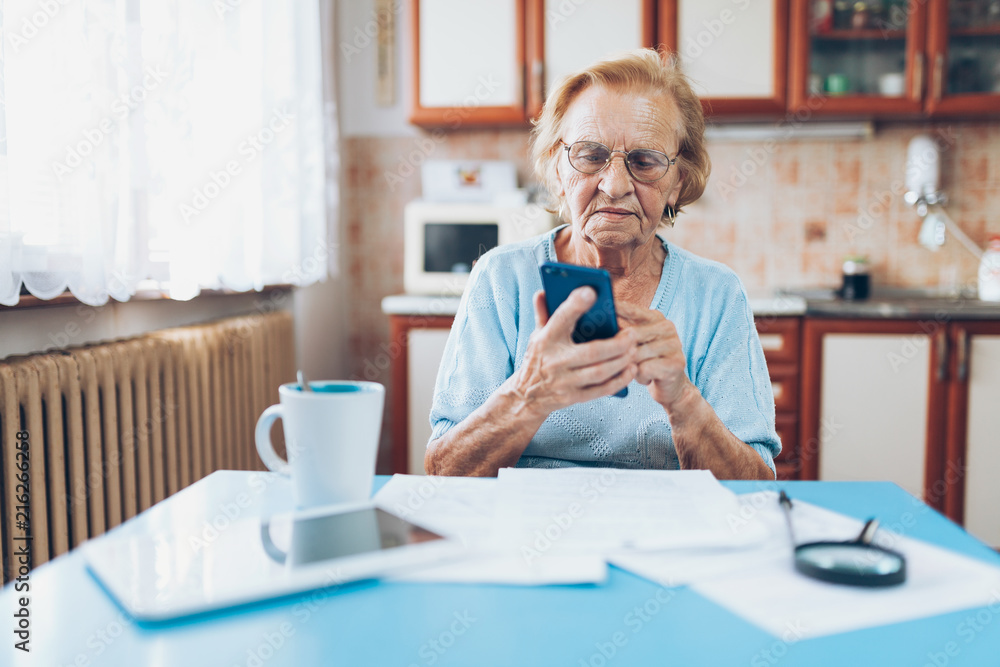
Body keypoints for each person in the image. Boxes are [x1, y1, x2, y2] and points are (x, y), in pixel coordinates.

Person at [424, 49, 779, 480]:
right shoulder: (501, 279)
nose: (614, 185)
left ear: (677, 182)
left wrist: (684, 401)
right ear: (558, 170)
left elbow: (755, 485)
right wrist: (530, 393)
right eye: (591, 156)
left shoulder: (716, 294)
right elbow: (445, 472)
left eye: (645, 161)